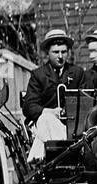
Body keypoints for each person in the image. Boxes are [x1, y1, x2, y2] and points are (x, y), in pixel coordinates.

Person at [23, 28, 86, 162]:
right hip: (45, 126)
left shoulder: (77, 73)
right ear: (47, 53)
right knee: (46, 119)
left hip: (72, 126)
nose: (60, 56)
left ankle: (37, 156)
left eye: (63, 52)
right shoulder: (38, 75)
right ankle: (67, 151)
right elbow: (29, 106)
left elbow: (86, 100)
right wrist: (51, 112)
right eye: (55, 52)